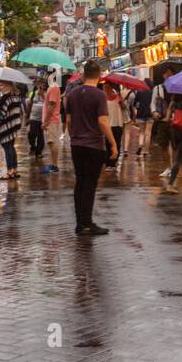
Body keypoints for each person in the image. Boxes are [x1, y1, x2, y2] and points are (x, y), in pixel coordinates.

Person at [63, 60, 117, 234]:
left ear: (84, 74)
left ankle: (80, 222)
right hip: (94, 145)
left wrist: (74, 137)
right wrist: (113, 143)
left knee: (80, 182)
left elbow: (69, 121)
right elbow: (102, 121)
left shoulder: (72, 94)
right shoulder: (100, 95)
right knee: (90, 184)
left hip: (76, 145)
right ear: (99, 75)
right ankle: (87, 223)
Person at [0, 82, 24, 180]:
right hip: (14, 126)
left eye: (1, 85)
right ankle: (14, 170)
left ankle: (9, 171)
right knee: (11, 147)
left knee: (7, 148)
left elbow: (0, 112)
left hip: (6, 127)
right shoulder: (16, 96)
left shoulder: (5, 98)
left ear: (7, 85)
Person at [150, 69, 175, 178]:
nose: (168, 75)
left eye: (170, 73)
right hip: (161, 120)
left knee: (175, 146)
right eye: (166, 73)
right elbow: (153, 102)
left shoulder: (177, 88)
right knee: (164, 145)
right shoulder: (158, 88)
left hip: (175, 120)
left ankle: (175, 167)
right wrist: (154, 112)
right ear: (163, 75)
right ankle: (168, 168)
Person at [40, 71, 63, 175]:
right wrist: (42, 94)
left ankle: (54, 165)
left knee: (52, 142)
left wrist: (45, 121)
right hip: (51, 120)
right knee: (50, 142)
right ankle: (53, 164)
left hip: (51, 120)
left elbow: (52, 105)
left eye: (46, 75)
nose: (44, 77)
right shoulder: (52, 87)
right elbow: (48, 102)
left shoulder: (53, 87)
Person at [104, 82, 126, 169]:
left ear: (112, 87)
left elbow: (124, 108)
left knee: (117, 143)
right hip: (107, 125)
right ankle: (107, 162)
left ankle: (113, 163)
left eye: (108, 87)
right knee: (107, 144)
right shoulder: (102, 98)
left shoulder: (118, 97)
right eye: (105, 87)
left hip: (117, 124)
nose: (106, 89)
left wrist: (121, 98)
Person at [129, 81, 153, 157]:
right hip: (150, 114)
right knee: (148, 133)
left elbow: (135, 103)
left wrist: (138, 108)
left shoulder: (139, 92)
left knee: (142, 132)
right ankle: (146, 151)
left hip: (141, 114)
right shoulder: (152, 93)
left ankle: (140, 145)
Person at [27, 79, 46, 161]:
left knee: (40, 136)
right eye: (39, 85)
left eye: (43, 85)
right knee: (32, 134)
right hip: (33, 118)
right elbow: (29, 104)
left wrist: (42, 95)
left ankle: (39, 152)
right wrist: (27, 117)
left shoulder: (46, 94)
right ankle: (33, 147)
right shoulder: (33, 93)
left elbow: (49, 104)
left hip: (42, 119)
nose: (41, 86)